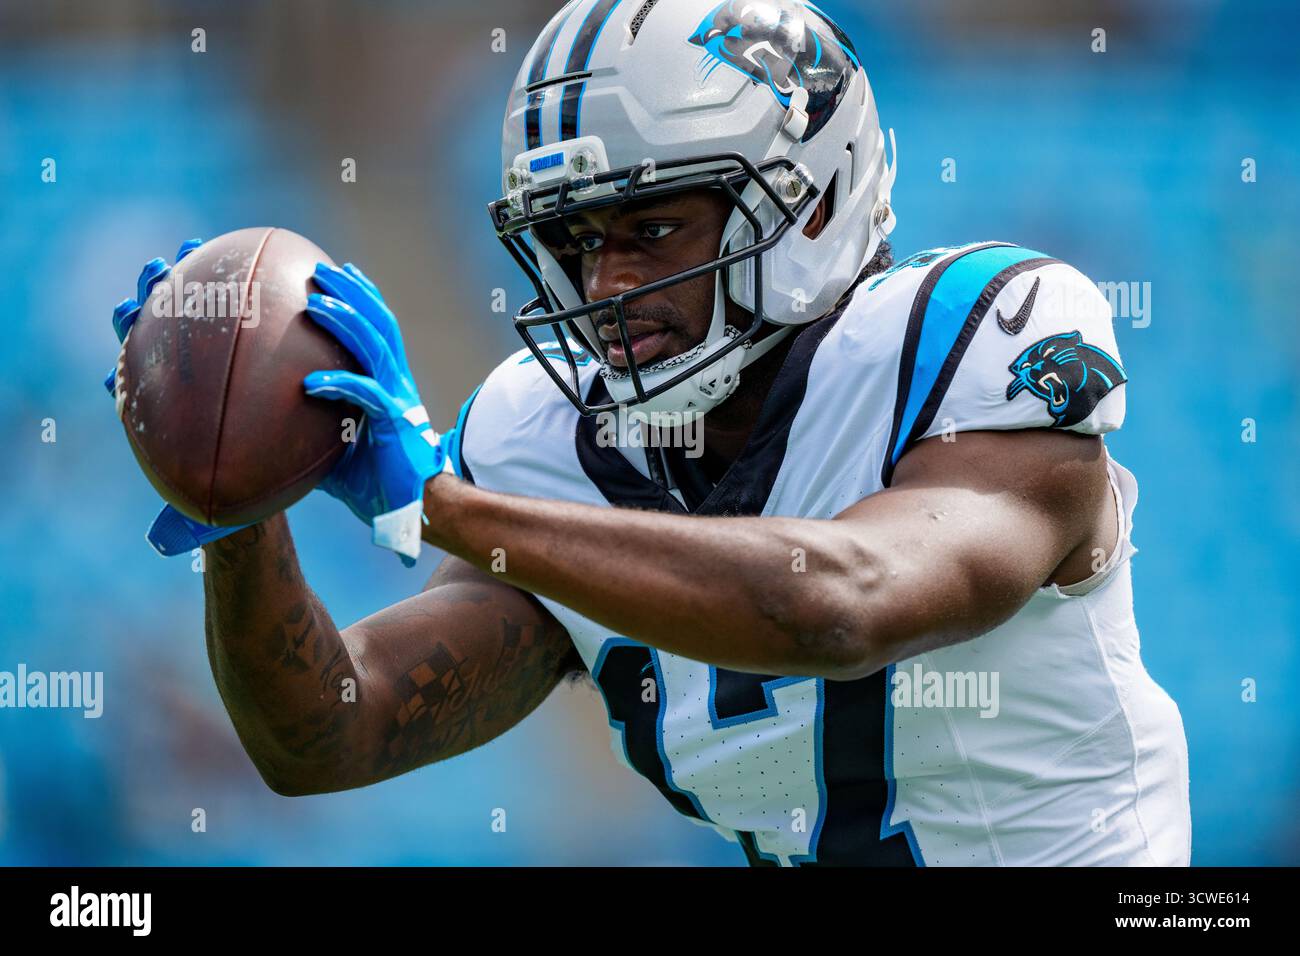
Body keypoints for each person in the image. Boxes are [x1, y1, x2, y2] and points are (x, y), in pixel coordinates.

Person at [108, 0, 1190, 866]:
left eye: (654, 226)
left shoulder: (979, 332)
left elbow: (843, 602)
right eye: (577, 241)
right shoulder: (551, 439)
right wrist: (235, 487)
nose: (609, 283)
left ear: (806, 203)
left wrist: (439, 501)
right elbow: (328, 731)